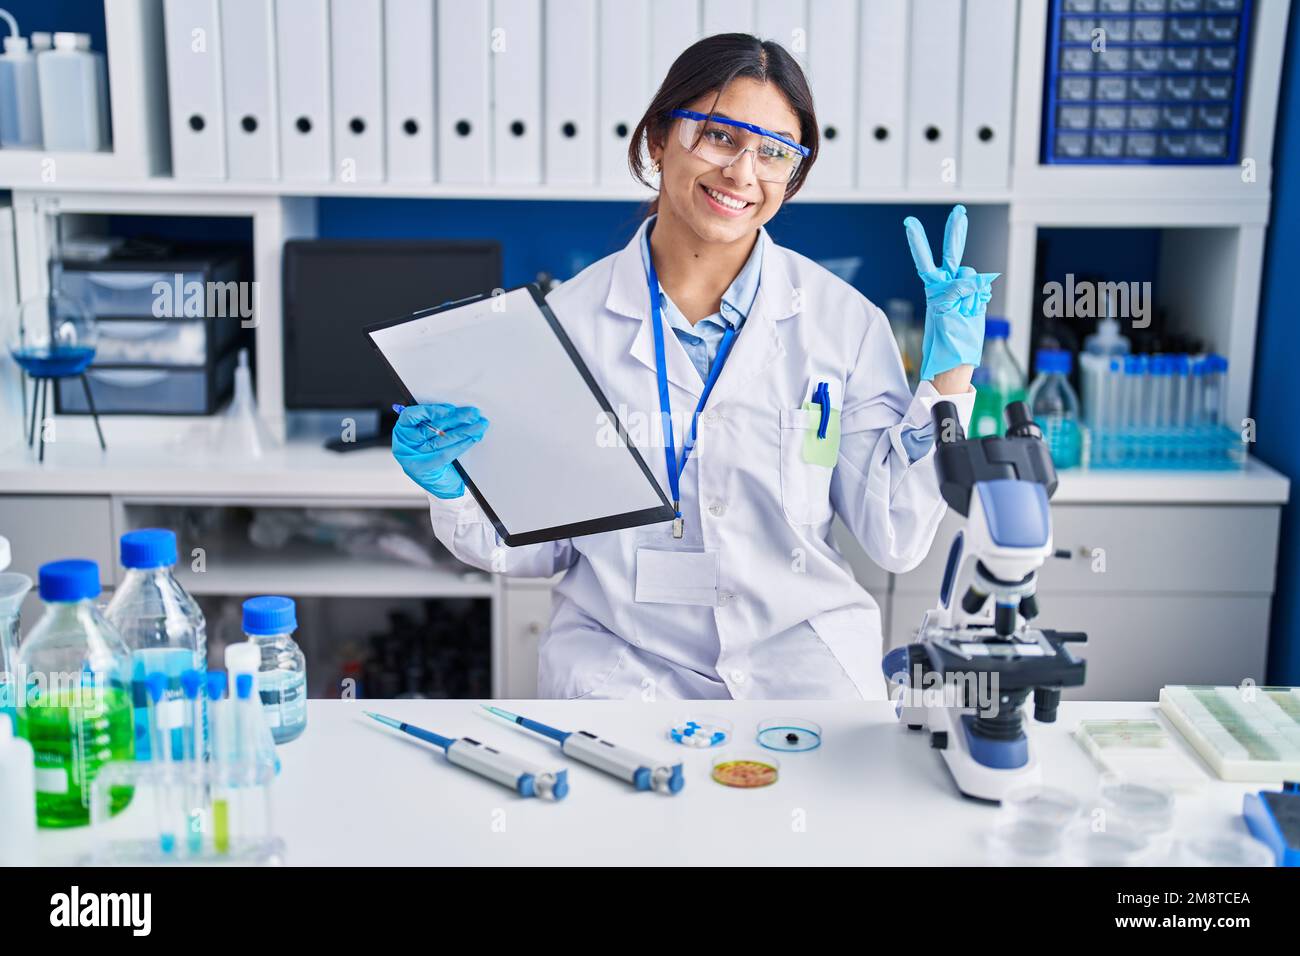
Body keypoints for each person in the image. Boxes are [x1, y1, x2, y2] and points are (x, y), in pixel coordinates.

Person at [392, 34, 996, 700]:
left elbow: (895, 538)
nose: (743, 173)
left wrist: (950, 381)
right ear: (657, 139)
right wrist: (455, 489)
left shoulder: (841, 325)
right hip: (622, 667)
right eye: (718, 136)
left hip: (798, 665)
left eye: (774, 153)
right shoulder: (569, 324)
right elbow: (543, 549)